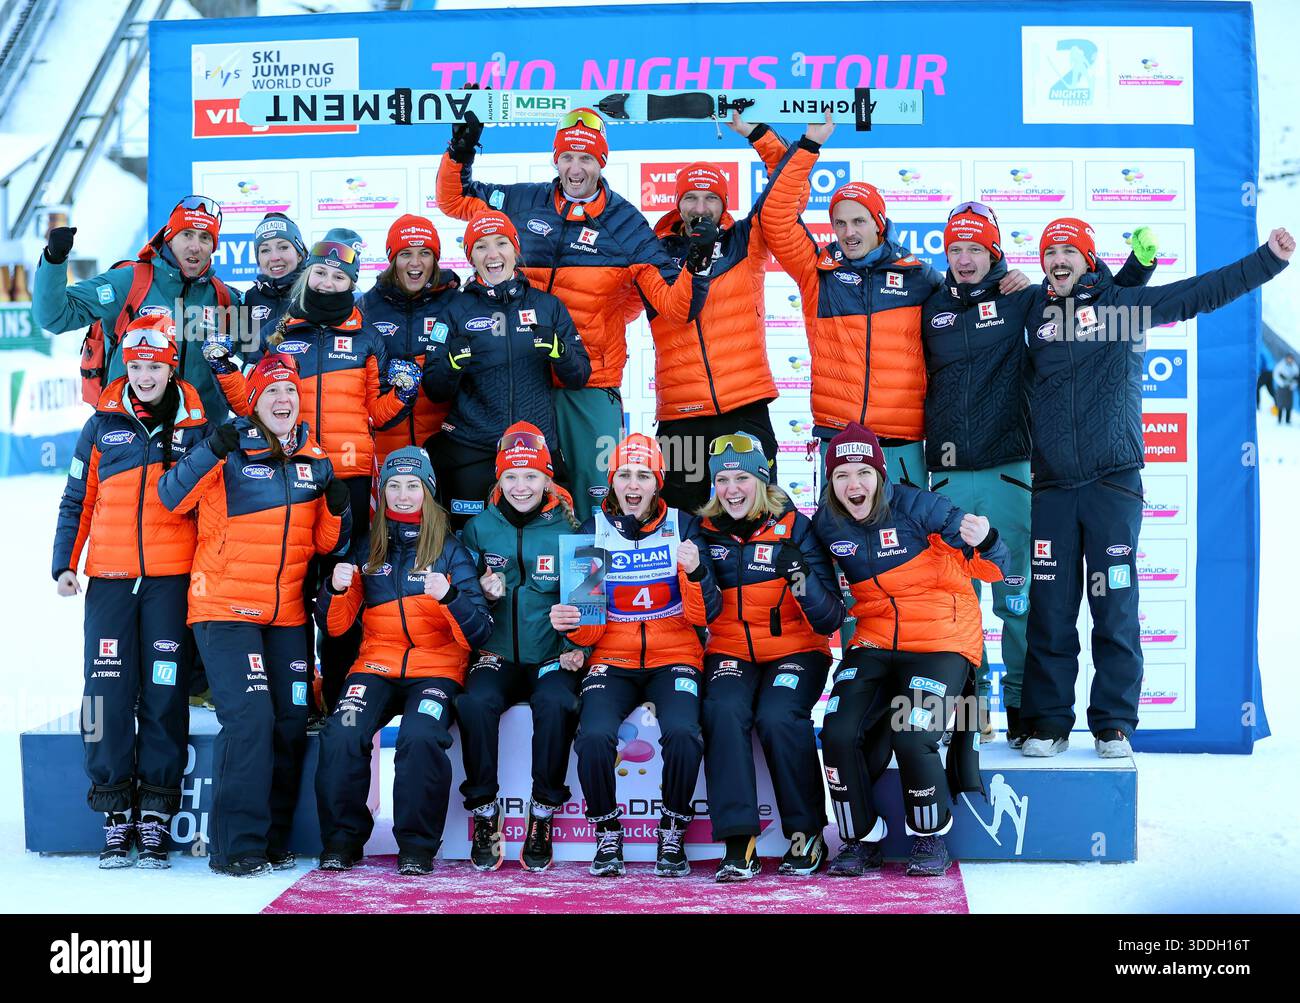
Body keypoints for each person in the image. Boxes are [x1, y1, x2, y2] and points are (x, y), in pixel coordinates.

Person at [1021, 220, 1293, 758]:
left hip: (1111, 484)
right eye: (1050, 250)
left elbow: (1199, 294)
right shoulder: (1032, 310)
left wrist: (1268, 260)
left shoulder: (1123, 309)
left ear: (1088, 258)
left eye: (1069, 249)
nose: (1058, 258)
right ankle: (1048, 724)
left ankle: (1113, 725)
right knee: (1049, 612)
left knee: (1115, 610)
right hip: (1052, 487)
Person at [921, 204, 1157, 746]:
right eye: (955, 249)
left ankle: (1026, 713)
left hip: (1011, 471)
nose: (964, 259)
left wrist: (1137, 270)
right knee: (957, 602)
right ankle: (968, 718)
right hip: (948, 476)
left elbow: (1095, 303)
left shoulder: (1025, 298)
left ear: (995, 252)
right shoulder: (929, 303)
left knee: (1019, 601)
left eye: (975, 249)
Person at [437, 106, 708, 520]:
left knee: (593, 500)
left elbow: (674, 305)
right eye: (566, 157)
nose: (575, 169)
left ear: (602, 162)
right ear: (555, 159)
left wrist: (696, 266)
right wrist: (461, 152)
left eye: (586, 158)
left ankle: (599, 564)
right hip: (520, 377)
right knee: (521, 499)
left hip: (588, 383)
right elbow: (455, 198)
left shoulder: (625, 225)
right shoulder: (522, 202)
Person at [207, 228, 415, 713]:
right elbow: (254, 403)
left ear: (352, 282)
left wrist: (403, 394)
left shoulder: (366, 337)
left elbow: (376, 413)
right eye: (320, 272)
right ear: (308, 274)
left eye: (338, 276)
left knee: (345, 585)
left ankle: (342, 696)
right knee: (296, 587)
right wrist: (224, 370)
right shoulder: (282, 332)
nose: (327, 282)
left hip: (350, 479)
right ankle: (297, 696)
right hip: (294, 475)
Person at [158, 354, 351, 876]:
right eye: (271, 393)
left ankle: (272, 840)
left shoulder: (315, 458)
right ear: (255, 401)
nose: (282, 401)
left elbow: (325, 544)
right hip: (225, 607)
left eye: (289, 392)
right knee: (250, 719)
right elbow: (171, 497)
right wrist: (212, 450)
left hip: (286, 612)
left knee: (290, 720)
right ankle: (236, 847)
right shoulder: (228, 447)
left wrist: (337, 509)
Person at [759, 119, 1030, 488]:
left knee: (912, 528)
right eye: (840, 223)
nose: (849, 233)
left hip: (901, 442)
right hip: (838, 436)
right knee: (839, 529)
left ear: (879, 223)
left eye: (859, 221)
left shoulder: (918, 277)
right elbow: (776, 219)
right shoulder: (817, 271)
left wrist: (1007, 280)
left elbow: (969, 298)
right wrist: (808, 146)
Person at [812, 422, 1008, 877]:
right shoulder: (826, 523)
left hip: (943, 638)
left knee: (912, 731)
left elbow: (994, 569)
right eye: (842, 475)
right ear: (830, 481)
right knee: (837, 731)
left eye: (863, 472)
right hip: (875, 639)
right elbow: (821, 597)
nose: (853, 484)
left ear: (880, 475)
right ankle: (861, 838)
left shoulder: (921, 507)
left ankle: (929, 837)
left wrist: (988, 541)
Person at [52, 315, 209, 869]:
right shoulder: (101, 425)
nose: (145, 376)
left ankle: (157, 814)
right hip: (110, 582)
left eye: (155, 367)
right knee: (106, 696)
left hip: (171, 581)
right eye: (137, 366)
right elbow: (77, 499)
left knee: (165, 695)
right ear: (126, 366)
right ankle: (116, 811)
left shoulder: (197, 426)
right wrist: (64, 564)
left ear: (172, 369)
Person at [549, 432, 721, 877]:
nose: (633, 484)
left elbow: (705, 615)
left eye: (643, 475)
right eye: (624, 474)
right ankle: (607, 829)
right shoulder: (593, 531)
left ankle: (673, 827)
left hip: (675, 655)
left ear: (657, 482)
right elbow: (588, 632)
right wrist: (572, 620)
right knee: (593, 737)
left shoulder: (684, 526)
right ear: (612, 480)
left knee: (683, 732)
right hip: (612, 659)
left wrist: (695, 573)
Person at [314, 447, 492, 876]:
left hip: (436, 669)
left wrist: (449, 596)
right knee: (342, 732)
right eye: (394, 485)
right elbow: (335, 627)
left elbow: (479, 632)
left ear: (428, 491)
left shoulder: (451, 550)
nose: (403, 494)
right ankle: (342, 840)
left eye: (413, 485)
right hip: (376, 665)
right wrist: (334, 590)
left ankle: (416, 845)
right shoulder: (367, 547)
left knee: (420, 737)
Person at [694, 433, 845, 880]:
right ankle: (739, 841)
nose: (731, 490)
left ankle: (805, 833)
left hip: (796, 650)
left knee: (778, 716)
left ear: (762, 480)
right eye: (722, 480)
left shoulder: (796, 526)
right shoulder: (702, 529)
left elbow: (829, 619)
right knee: (723, 709)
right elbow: (703, 610)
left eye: (741, 478)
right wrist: (699, 572)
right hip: (730, 649)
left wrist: (801, 578)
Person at [456, 423, 583, 872]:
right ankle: (485, 811)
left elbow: (590, 603)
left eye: (531, 476)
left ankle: (543, 811)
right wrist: (483, 595)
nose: (520, 486)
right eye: (511, 476)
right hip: (495, 654)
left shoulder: (573, 526)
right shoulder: (477, 528)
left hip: (551, 656)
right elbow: (460, 603)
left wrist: (578, 647)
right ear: (498, 478)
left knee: (557, 703)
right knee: (474, 703)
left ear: (548, 478)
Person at [649, 116, 793, 511]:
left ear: (724, 203)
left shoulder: (746, 240)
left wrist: (757, 134)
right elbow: (674, 310)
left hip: (744, 404)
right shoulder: (653, 254)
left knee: (758, 516)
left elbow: (787, 189)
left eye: (711, 198)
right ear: (677, 203)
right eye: (691, 198)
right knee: (683, 521)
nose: (700, 208)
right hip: (683, 412)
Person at [421, 211, 590, 527]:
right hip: (474, 449)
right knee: (472, 540)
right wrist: (452, 365)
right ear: (470, 256)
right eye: (481, 246)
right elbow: (434, 389)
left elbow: (579, 375)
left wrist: (560, 352)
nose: (492, 254)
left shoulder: (546, 305)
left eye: (501, 243)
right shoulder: (455, 311)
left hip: (534, 449)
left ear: (515, 248)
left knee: (547, 541)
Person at [32, 195, 238, 423]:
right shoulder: (130, 282)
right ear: (169, 238)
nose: (195, 246)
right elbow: (55, 316)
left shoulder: (223, 298)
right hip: (129, 433)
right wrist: (54, 260)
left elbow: (261, 352)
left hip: (201, 437)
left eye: (205, 237)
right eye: (187, 234)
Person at [359, 213, 462, 466]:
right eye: (405, 253)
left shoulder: (455, 303)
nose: (415, 263)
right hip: (386, 448)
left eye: (425, 253)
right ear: (393, 259)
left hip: (445, 447)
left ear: (435, 259)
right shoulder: (366, 307)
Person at [240, 212, 308, 367]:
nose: (274, 257)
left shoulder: (315, 293)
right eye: (265, 250)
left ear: (299, 254)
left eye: (283, 247)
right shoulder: (248, 300)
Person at [1273, 352, 1298, 424]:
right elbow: (1276, 375)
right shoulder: (1281, 365)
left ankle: (1288, 420)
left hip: (1289, 388)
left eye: (1291, 358)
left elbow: (1296, 378)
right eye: (1289, 358)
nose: (1290, 360)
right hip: (1282, 387)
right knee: (1280, 404)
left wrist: (1293, 385)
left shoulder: (1294, 367)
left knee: (1289, 404)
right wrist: (1282, 383)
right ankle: (1279, 419)